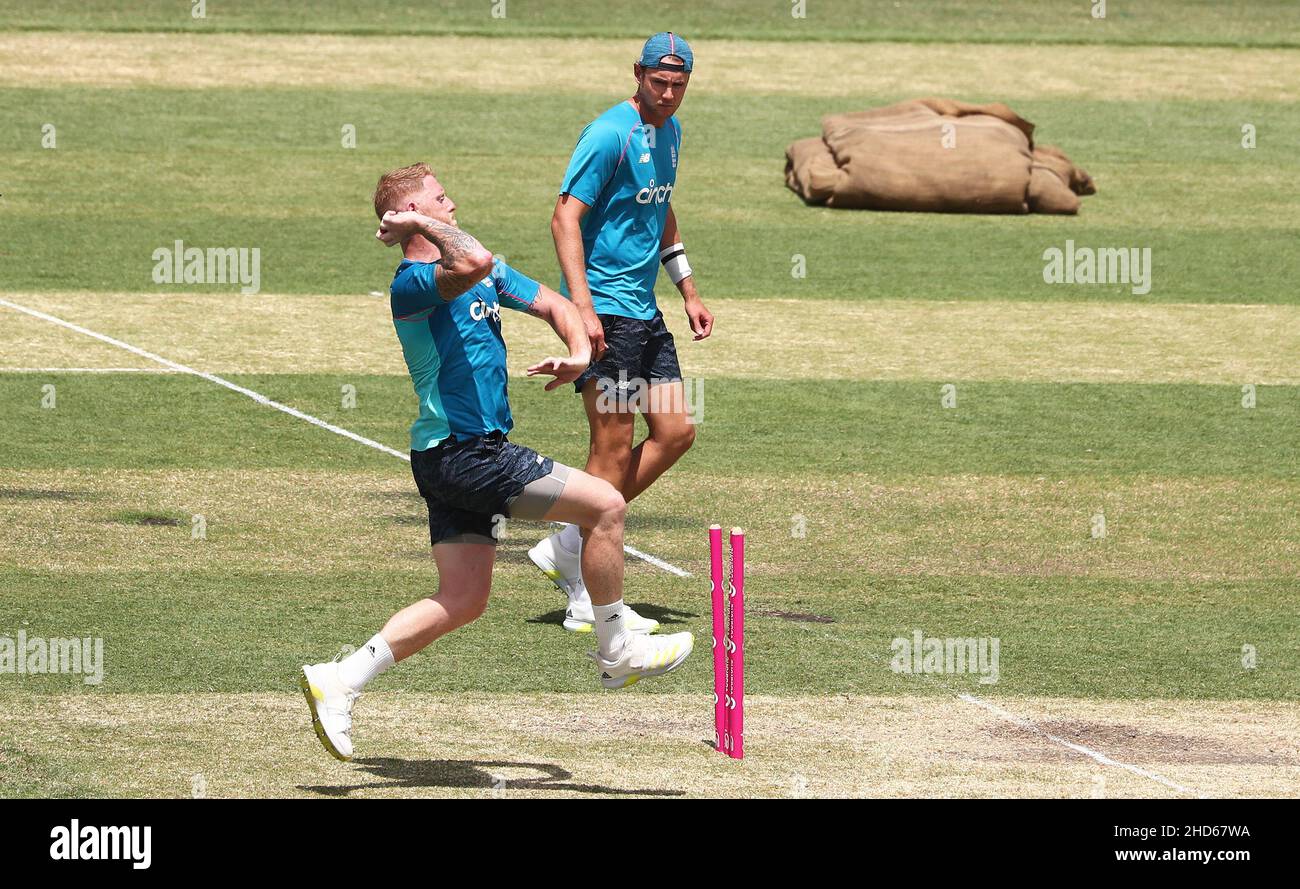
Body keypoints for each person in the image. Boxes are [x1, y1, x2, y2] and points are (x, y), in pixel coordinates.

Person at [299, 163, 693, 762]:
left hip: (447, 458)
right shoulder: (414, 283)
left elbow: (556, 304)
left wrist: (579, 354)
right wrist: (421, 223)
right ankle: (616, 650)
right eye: (438, 199)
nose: (451, 203)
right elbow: (473, 263)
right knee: (606, 504)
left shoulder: (478, 270)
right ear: (412, 215)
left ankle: (340, 679)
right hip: (468, 453)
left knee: (463, 598)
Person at [529, 32, 715, 633]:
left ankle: (567, 542)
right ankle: (585, 591)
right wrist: (581, 308)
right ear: (637, 74)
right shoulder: (609, 132)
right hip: (607, 314)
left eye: (678, 84)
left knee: (677, 431)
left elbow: (660, 207)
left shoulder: (673, 132)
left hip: (645, 311)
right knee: (610, 449)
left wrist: (686, 287)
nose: (667, 93)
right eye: (658, 82)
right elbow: (565, 216)